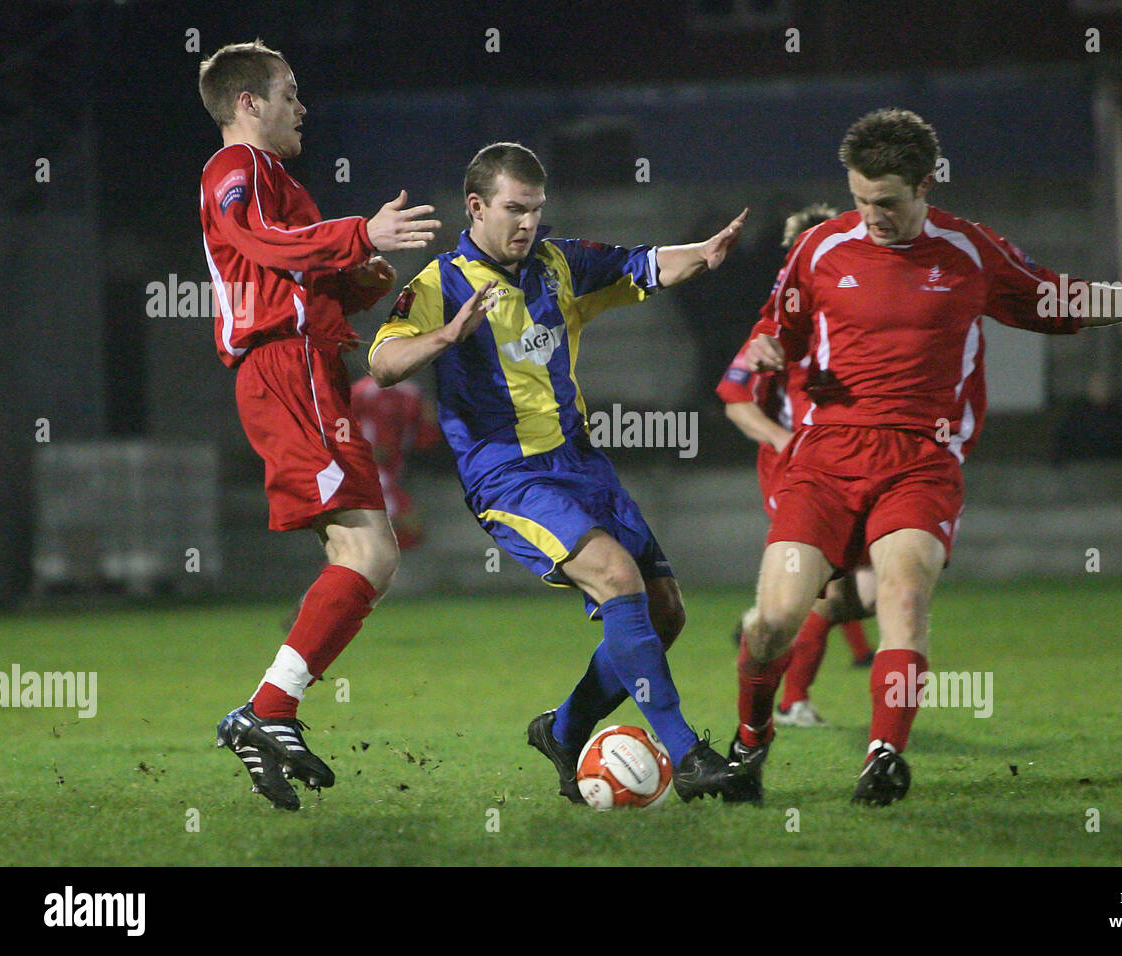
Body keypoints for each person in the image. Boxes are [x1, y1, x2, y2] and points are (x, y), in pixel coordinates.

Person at [726, 108, 1122, 807]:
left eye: (887, 202)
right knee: (771, 626)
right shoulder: (819, 247)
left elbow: (1058, 299)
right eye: (858, 199)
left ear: (927, 185)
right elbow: (777, 324)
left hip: (920, 460)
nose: (871, 215)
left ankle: (883, 758)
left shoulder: (969, 251)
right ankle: (748, 749)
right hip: (825, 458)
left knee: (902, 599)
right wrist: (767, 347)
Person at [368, 142, 752, 802]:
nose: (526, 223)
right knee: (615, 575)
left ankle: (564, 732)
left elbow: (640, 264)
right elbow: (382, 364)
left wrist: (701, 253)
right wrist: (444, 337)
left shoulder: (556, 262)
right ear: (476, 206)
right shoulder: (438, 285)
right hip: (507, 475)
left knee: (664, 615)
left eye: (535, 210)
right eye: (514, 210)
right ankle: (688, 755)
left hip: (579, 463)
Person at [198, 40, 442, 810]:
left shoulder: (278, 182)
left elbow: (300, 274)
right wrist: (360, 235)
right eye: (290, 92)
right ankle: (267, 711)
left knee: (369, 550)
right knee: (368, 549)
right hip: (284, 370)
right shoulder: (234, 171)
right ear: (248, 105)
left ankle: (269, 713)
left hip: (308, 369)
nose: (303, 107)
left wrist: (359, 280)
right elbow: (258, 246)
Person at [718, 203, 875, 731]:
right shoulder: (778, 331)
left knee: (863, 593)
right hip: (798, 474)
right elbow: (736, 396)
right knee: (826, 590)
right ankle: (789, 703)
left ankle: (760, 626)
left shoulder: (862, 326)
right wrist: (785, 440)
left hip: (860, 466)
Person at [350, 375, 444, 550]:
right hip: (371, 472)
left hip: (387, 471)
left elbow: (426, 438)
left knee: (371, 540)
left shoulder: (411, 394)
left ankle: (353, 570)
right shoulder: (366, 392)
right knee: (408, 527)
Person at [1051, 370, 1122, 472]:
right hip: (1083, 468)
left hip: (1114, 468)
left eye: (1102, 386)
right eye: (1095, 387)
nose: (1098, 390)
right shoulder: (1077, 413)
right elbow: (1062, 438)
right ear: (1088, 389)